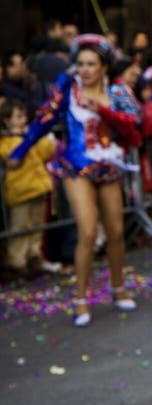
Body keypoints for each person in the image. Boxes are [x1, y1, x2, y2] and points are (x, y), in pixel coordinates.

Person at [7, 35, 141, 326]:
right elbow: (44, 120)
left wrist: (103, 110)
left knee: (116, 232)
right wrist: (21, 149)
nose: (85, 69)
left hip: (109, 165)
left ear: (104, 67)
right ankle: (81, 299)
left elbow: (133, 125)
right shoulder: (68, 88)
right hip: (75, 167)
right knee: (88, 232)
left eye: (91, 64)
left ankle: (118, 287)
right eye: (80, 63)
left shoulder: (117, 91)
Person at [0, 99, 61, 277]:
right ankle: (17, 261)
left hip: (38, 187)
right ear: (7, 121)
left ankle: (34, 257)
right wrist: (24, 140)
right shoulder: (6, 140)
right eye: (18, 117)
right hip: (21, 190)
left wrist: (44, 140)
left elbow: (45, 153)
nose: (23, 120)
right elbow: (11, 157)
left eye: (24, 116)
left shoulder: (30, 136)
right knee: (20, 227)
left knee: (36, 226)